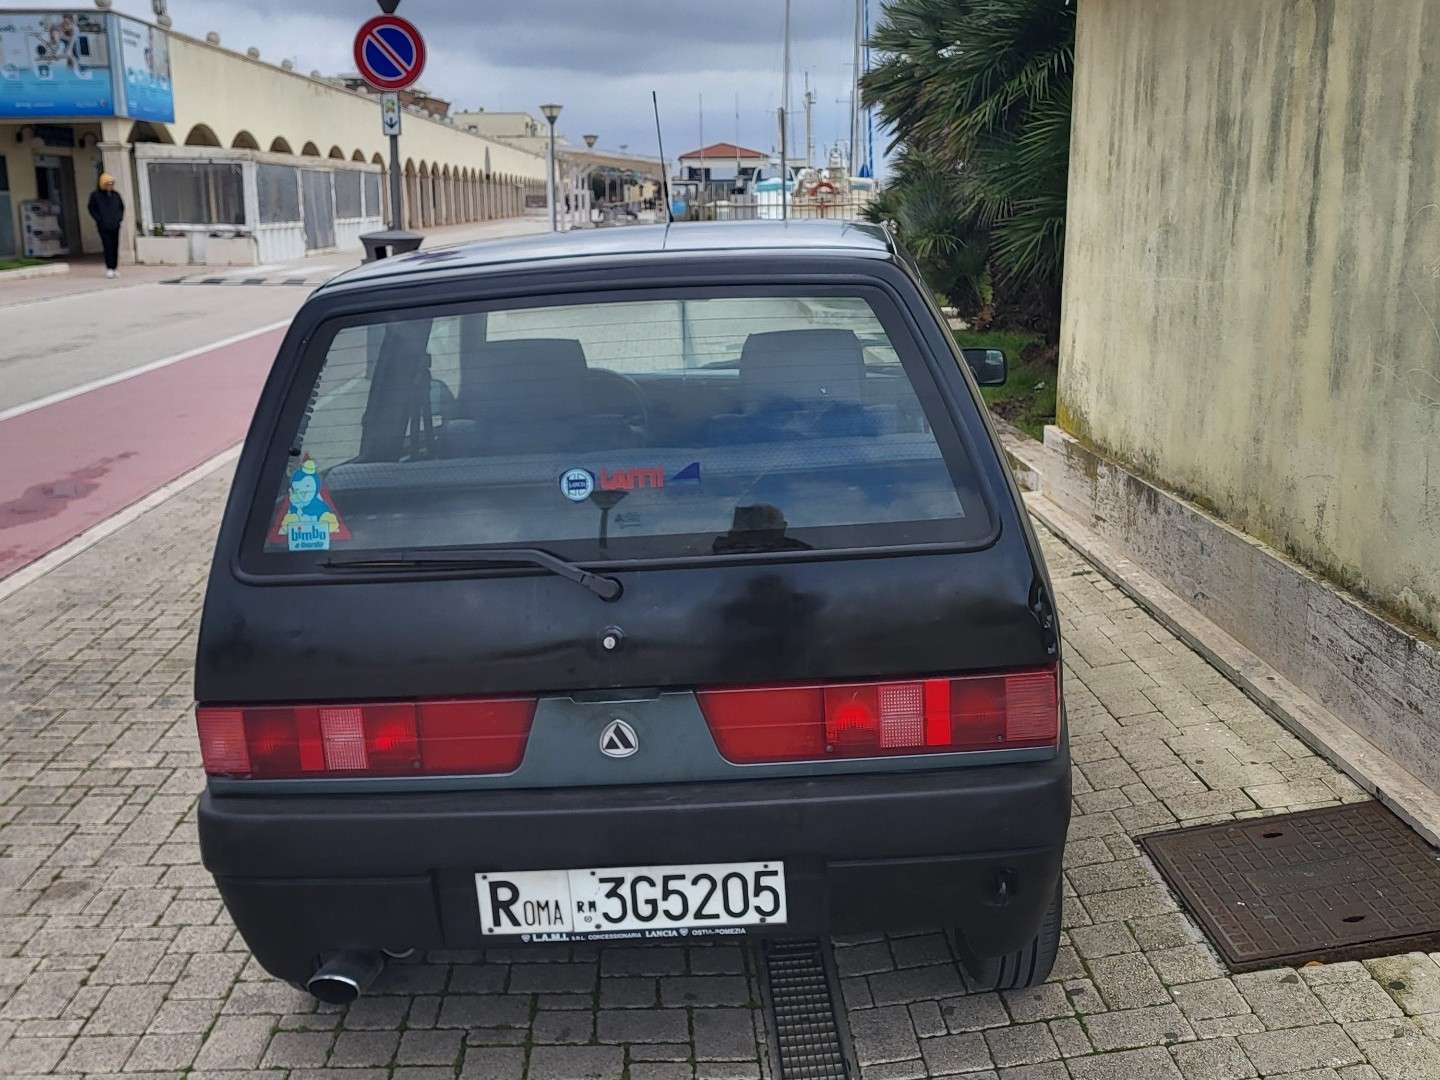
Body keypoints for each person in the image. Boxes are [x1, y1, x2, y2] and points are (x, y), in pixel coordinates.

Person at [87, 174, 124, 278]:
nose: (110, 186)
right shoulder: (96, 195)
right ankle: (109, 268)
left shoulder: (116, 195)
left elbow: (121, 207)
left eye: (111, 184)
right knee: (107, 246)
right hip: (103, 225)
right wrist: (99, 220)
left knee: (115, 245)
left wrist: (119, 219)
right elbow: (91, 208)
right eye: (108, 184)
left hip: (115, 225)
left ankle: (115, 267)